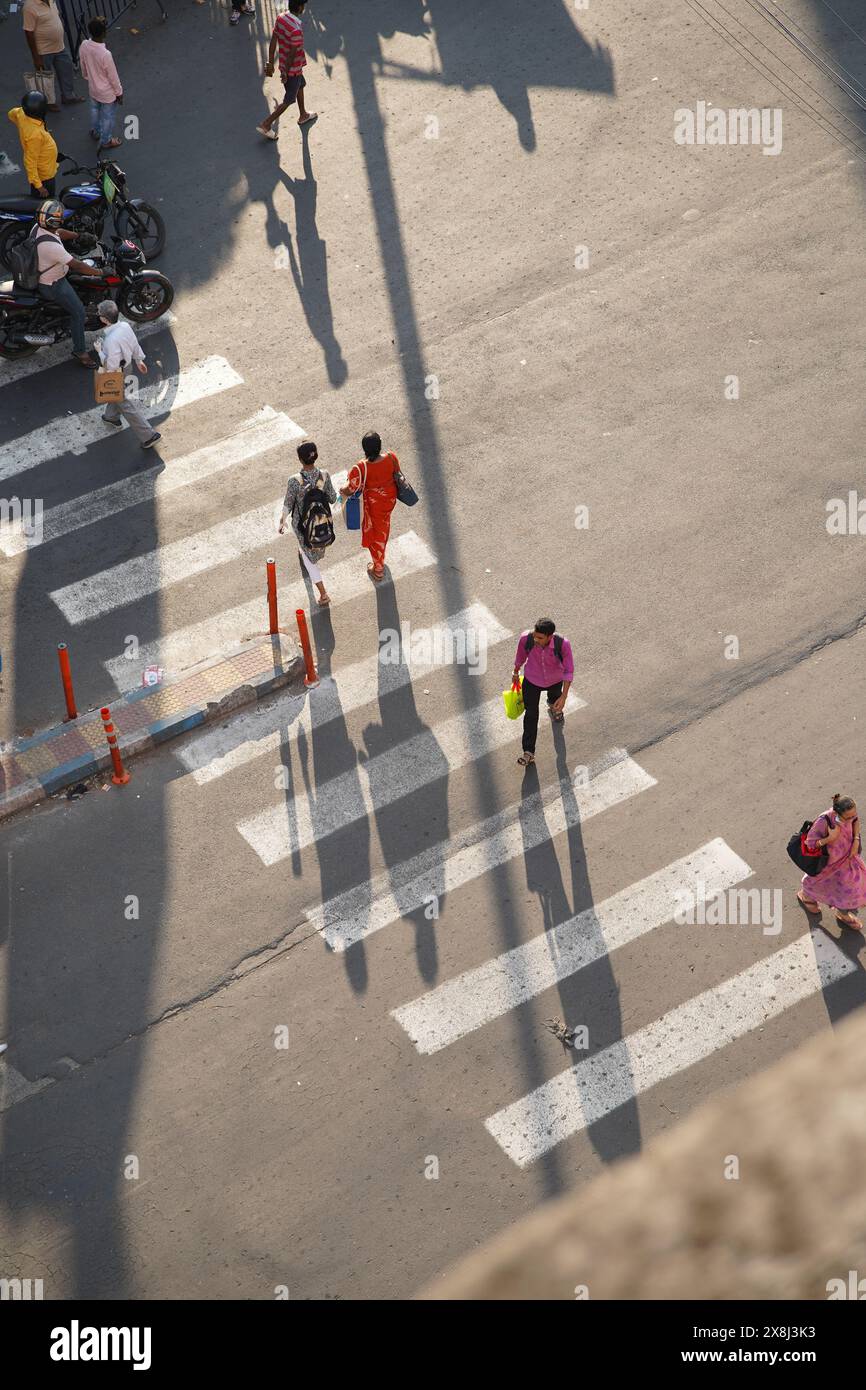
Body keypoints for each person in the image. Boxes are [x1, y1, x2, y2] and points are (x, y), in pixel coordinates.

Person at [31, 200, 102, 366]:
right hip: (53, 283)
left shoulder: (38, 228)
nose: (60, 219)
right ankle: (80, 352)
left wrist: (78, 236)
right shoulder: (53, 248)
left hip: (45, 271)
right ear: (53, 221)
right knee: (79, 313)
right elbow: (77, 265)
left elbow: (59, 233)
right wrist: (99, 272)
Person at [95, 300, 161, 449]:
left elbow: (110, 365)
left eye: (99, 314)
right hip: (128, 367)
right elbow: (133, 344)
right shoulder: (125, 326)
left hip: (115, 372)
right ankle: (111, 417)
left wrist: (99, 352)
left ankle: (149, 436)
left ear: (104, 319)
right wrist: (139, 360)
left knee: (124, 403)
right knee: (117, 396)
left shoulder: (110, 341)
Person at [279, 440, 336, 605]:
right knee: (310, 549)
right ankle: (304, 550)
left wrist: (282, 522)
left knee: (309, 560)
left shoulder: (294, 481)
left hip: (302, 528)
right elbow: (332, 499)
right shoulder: (324, 475)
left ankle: (323, 594)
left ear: (300, 459)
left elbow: (288, 504)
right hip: (323, 523)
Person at [798, 793, 866, 931]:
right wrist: (830, 837)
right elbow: (810, 843)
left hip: (849, 860)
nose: (852, 818)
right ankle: (808, 897)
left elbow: (856, 821)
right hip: (829, 865)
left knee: (852, 889)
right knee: (836, 888)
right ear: (836, 812)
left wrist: (856, 841)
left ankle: (842, 912)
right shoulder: (824, 821)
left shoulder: (851, 816)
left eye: (853, 815)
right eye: (848, 817)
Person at [512, 620, 574, 767]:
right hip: (532, 680)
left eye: (540, 638)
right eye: (535, 636)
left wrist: (564, 697)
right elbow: (520, 657)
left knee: (554, 699)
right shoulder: (526, 639)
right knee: (531, 715)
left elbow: (568, 670)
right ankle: (528, 752)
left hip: (554, 680)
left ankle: (554, 706)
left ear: (550, 636)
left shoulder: (563, 644)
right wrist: (515, 672)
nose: (536, 640)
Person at [339, 431, 399, 583]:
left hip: (373, 507)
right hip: (389, 501)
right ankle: (379, 560)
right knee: (383, 529)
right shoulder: (391, 457)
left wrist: (342, 489)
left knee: (376, 535)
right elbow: (396, 473)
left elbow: (350, 489)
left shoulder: (361, 468)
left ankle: (378, 569)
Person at [257, 0, 317, 140]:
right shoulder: (296, 29)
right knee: (289, 99)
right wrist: (284, 72)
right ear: (301, 7)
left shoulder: (281, 18)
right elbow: (292, 54)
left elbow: (273, 41)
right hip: (292, 69)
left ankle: (303, 114)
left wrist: (270, 63)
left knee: (301, 85)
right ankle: (266, 124)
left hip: (289, 66)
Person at [22, 0, 85, 110]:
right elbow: (28, 32)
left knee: (66, 69)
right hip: (43, 50)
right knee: (45, 77)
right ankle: (48, 102)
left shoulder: (51, 1)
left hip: (59, 46)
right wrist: (36, 57)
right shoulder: (29, 7)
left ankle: (68, 96)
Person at [78, 16, 123, 151]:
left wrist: (87, 77)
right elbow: (113, 77)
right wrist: (119, 93)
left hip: (93, 88)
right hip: (107, 93)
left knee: (94, 110)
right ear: (104, 33)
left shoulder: (84, 45)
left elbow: (83, 65)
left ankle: (96, 131)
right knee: (107, 117)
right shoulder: (105, 54)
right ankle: (106, 140)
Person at [7, 90, 57, 197]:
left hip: (45, 164)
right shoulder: (35, 135)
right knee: (45, 206)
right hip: (44, 177)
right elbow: (30, 162)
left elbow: (11, 114)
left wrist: (22, 126)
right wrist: (39, 187)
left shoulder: (21, 113)